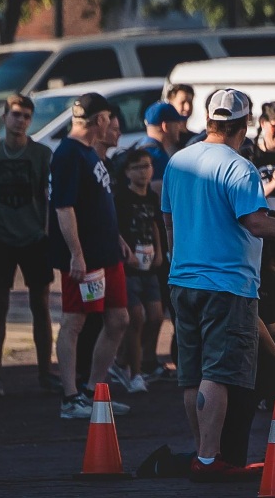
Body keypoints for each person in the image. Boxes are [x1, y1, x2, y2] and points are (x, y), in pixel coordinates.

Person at [163, 89, 275, 481]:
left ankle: (202, 454)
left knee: (191, 373)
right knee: (220, 371)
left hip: (183, 280)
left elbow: (169, 221)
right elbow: (256, 223)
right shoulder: (238, 167)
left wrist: (179, 260)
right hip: (226, 284)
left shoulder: (178, 162)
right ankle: (210, 460)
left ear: (209, 121)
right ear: (244, 126)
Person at [50, 94, 131, 419]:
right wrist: (76, 255)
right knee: (74, 321)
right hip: (87, 257)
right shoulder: (69, 153)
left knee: (118, 319)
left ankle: (94, 393)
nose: (111, 125)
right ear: (98, 120)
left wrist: (118, 238)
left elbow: (98, 202)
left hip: (106, 252)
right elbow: (64, 207)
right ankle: (70, 398)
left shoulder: (89, 153)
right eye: (108, 119)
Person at [0, 94, 57, 396]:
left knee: (41, 307)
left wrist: (47, 234)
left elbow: (49, 198)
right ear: (4, 118)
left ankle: (45, 373)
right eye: (15, 114)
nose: (20, 120)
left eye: (26, 115)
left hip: (34, 237)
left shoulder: (41, 154)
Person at [112, 149, 170, 393]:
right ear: (127, 172)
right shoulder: (121, 198)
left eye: (147, 166)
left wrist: (159, 251)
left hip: (150, 267)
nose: (143, 172)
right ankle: (135, 375)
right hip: (129, 268)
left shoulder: (152, 197)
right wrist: (126, 254)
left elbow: (156, 224)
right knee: (136, 318)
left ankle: (127, 360)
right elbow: (113, 229)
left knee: (156, 316)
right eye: (137, 167)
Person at [145, 84, 196, 161]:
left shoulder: (195, 139)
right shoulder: (155, 151)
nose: (187, 107)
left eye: (190, 102)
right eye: (182, 102)